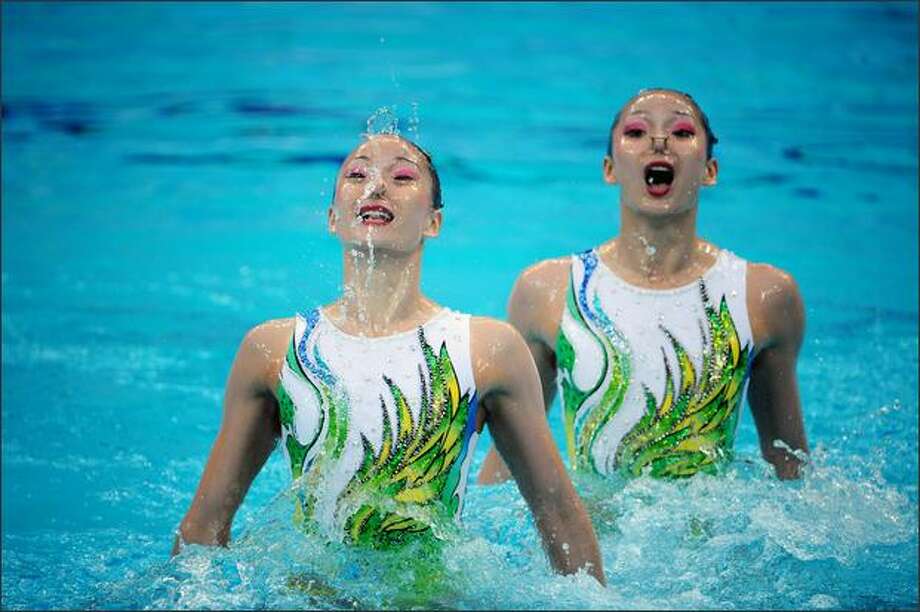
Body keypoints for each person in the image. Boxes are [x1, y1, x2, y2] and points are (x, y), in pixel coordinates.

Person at [171, 133, 605, 585]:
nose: (376, 187)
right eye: (357, 175)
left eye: (401, 176)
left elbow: (556, 510)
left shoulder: (486, 349)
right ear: (333, 219)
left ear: (434, 222)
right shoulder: (274, 349)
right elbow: (205, 525)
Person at [479, 88, 808, 484]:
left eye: (682, 132)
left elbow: (790, 466)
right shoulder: (548, 291)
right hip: (598, 540)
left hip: (712, 541)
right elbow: (511, 455)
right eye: (636, 132)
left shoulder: (763, 295)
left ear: (710, 171)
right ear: (609, 169)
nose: (659, 141)